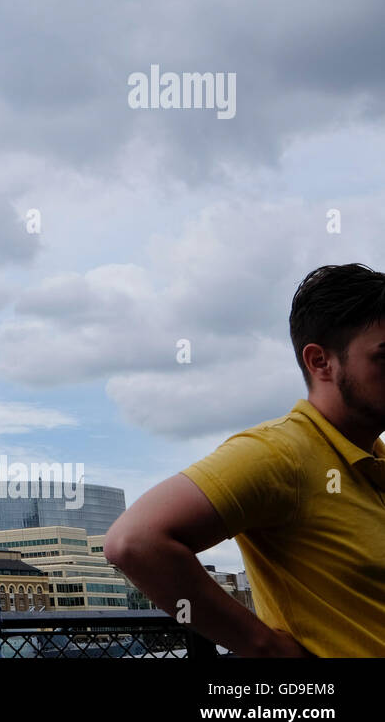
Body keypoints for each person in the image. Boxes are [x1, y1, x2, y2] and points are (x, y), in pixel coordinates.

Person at [104, 263, 385, 657]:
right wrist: (262, 646)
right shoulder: (282, 452)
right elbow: (132, 541)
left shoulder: (374, 460)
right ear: (320, 361)